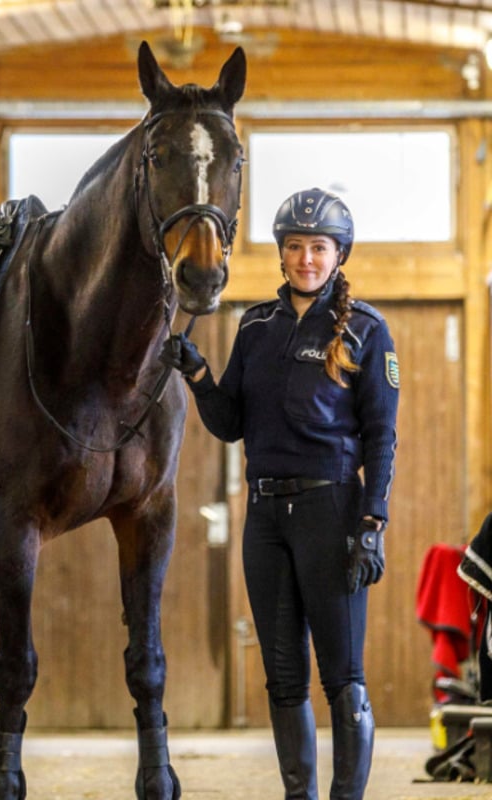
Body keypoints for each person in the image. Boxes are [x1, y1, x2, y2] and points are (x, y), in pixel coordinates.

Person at [160, 188, 399, 799]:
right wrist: (198, 376)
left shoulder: (367, 330)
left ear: (338, 254)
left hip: (332, 512)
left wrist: (373, 522)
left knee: (342, 676)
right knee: (284, 677)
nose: (306, 259)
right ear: (281, 253)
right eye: (295, 246)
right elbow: (230, 423)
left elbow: (382, 434)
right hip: (265, 518)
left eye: (319, 247)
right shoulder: (256, 326)